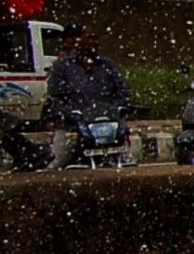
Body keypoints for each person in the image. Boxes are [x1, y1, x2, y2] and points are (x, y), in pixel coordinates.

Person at [44, 24, 131, 169]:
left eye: (96, 38)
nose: (95, 42)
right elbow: (55, 98)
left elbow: (123, 93)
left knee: (127, 164)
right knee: (54, 164)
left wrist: (117, 109)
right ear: (77, 40)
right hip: (72, 128)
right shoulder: (62, 67)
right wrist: (70, 114)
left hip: (106, 127)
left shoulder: (107, 65)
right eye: (90, 38)